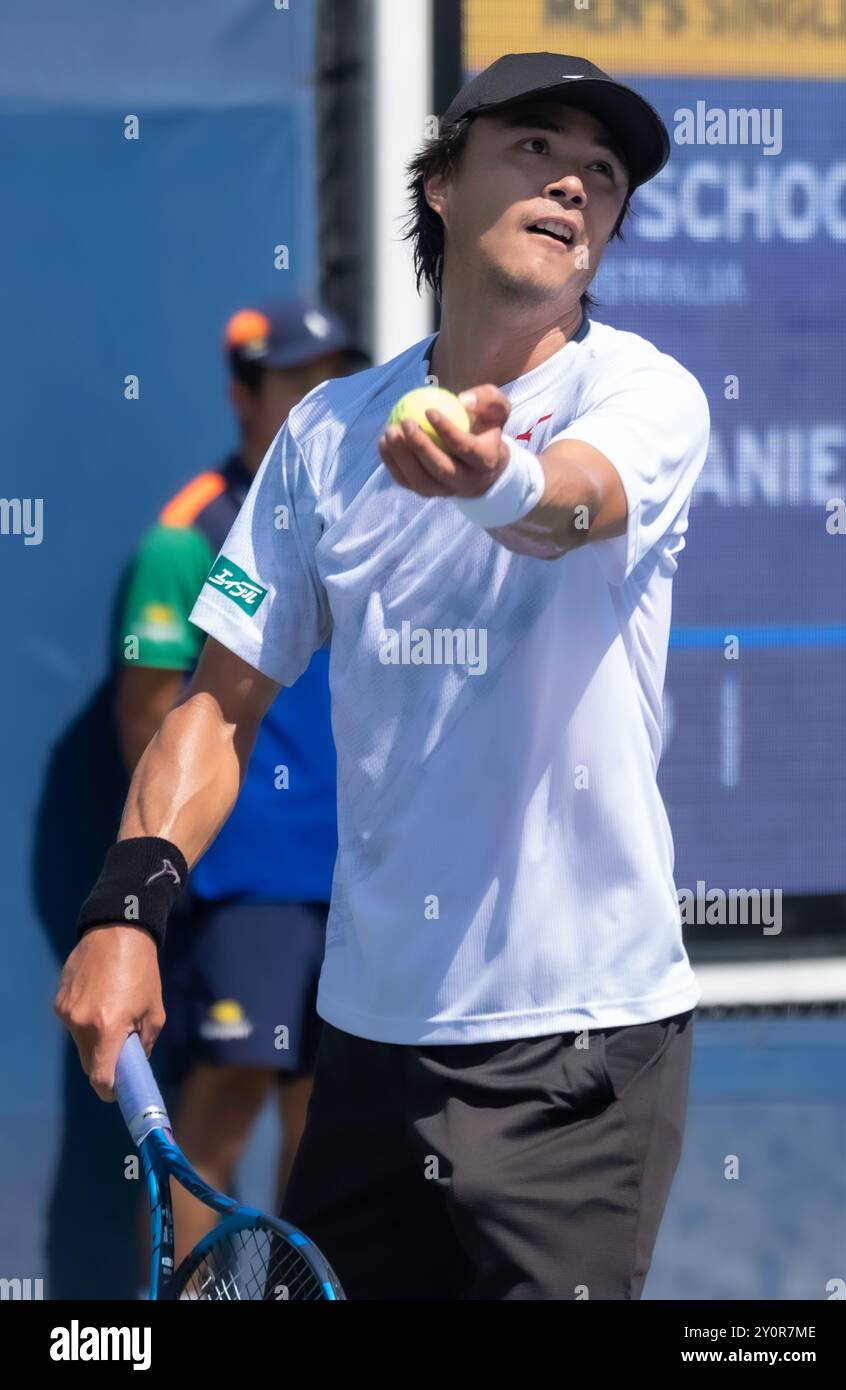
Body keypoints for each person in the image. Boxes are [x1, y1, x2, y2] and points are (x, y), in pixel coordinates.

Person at [57, 53, 710, 1300]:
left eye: (604, 174)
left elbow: (575, 502)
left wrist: (497, 479)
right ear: (439, 184)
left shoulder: (644, 394)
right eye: (534, 148)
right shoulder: (319, 438)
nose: (573, 184)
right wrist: (123, 913)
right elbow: (217, 704)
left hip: (578, 1053)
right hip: (367, 1052)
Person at [112, 300, 367, 1261]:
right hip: (243, 887)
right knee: (221, 1111)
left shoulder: (361, 518)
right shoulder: (185, 536)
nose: (314, 402)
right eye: (294, 382)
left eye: (328, 380)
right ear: (242, 396)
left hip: (354, 881)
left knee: (326, 1124)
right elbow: (151, 723)